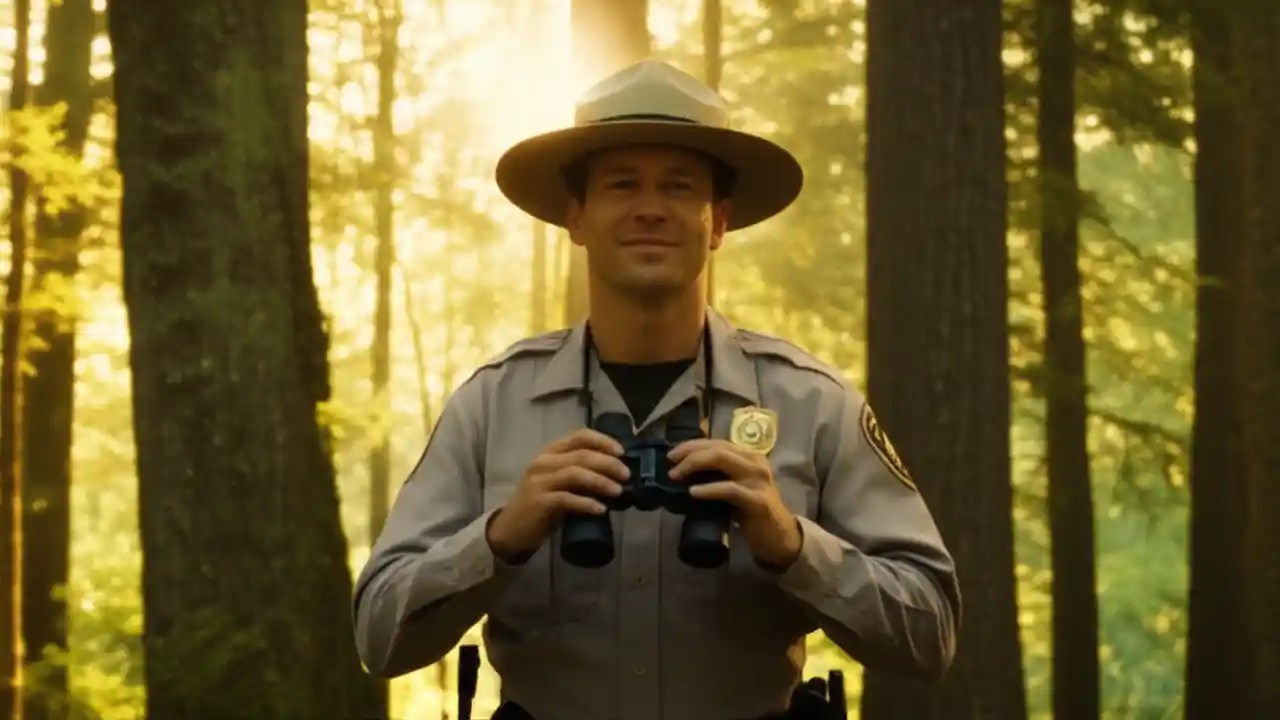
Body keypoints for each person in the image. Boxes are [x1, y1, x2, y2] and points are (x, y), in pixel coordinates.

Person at [352, 59, 960, 720]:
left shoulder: (810, 404)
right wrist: (499, 538)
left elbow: (930, 633)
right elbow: (379, 636)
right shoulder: (495, 406)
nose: (649, 209)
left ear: (718, 221)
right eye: (621, 185)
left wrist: (793, 545)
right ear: (576, 218)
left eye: (678, 187)